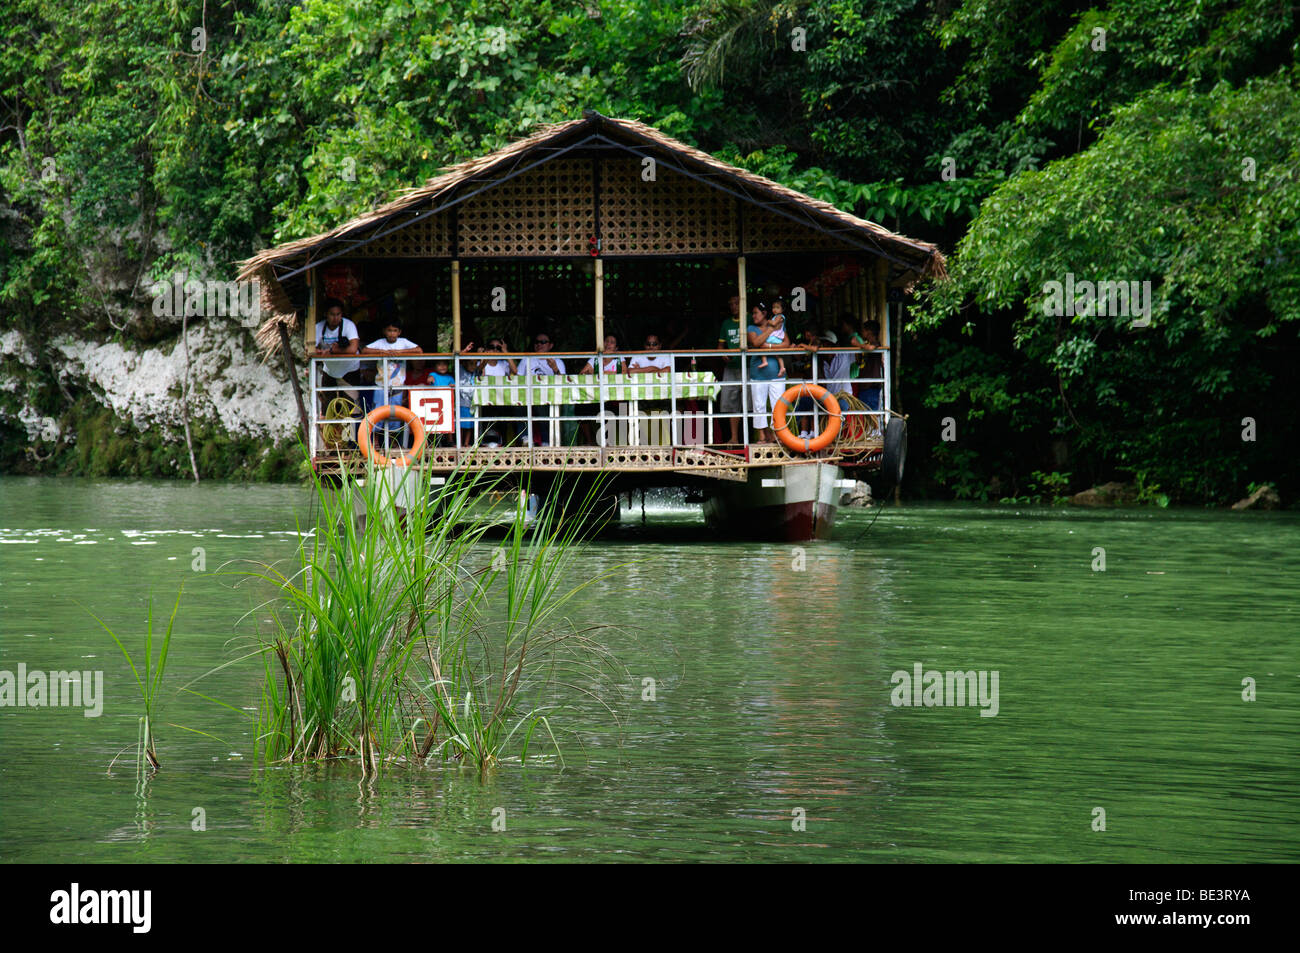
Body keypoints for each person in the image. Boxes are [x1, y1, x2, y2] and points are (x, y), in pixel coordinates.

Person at [360, 320, 422, 446]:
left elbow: (419, 350)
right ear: (384, 331)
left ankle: (392, 441)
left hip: (397, 385)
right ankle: (376, 440)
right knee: (377, 412)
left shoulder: (403, 342)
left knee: (395, 413)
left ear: (399, 332)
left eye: (395, 331)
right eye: (389, 330)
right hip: (381, 385)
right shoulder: (380, 343)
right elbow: (365, 351)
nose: (392, 333)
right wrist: (383, 353)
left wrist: (399, 353)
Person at [518, 332, 566, 446]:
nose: (539, 344)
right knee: (518, 405)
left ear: (550, 345)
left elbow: (564, 383)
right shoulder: (526, 360)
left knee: (543, 408)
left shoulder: (557, 361)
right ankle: (525, 437)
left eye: (543, 342)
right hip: (528, 396)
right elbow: (518, 379)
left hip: (548, 397)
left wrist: (555, 369)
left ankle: (546, 441)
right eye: (537, 342)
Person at [746, 302, 784, 443]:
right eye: (753, 313)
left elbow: (786, 343)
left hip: (777, 375)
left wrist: (767, 345)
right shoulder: (751, 328)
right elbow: (756, 343)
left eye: (756, 313)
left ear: (765, 314)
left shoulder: (779, 326)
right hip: (758, 375)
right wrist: (771, 329)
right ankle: (762, 435)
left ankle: (777, 434)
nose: (754, 316)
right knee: (759, 405)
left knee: (778, 405)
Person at [313, 298, 361, 408]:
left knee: (350, 405)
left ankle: (349, 425)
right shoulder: (319, 327)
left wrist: (333, 351)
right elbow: (310, 348)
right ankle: (327, 424)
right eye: (332, 314)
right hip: (329, 369)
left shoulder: (349, 325)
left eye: (338, 314)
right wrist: (319, 352)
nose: (335, 318)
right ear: (326, 314)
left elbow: (353, 349)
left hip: (350, 369)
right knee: (328, 404)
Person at [579, 333, 625, 445]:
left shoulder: (619, 359)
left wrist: (600, 373)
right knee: (581, 408)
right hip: (595, 395)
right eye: (606, 341)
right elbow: (582, 374)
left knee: (616, 408)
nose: (608, 344)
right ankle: (590, 442)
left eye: (612, 342)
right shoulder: (595, 359)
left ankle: (610, 443)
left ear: (616, 348)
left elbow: (624, 373)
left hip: (614, 396)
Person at [478, 337, 519, 446]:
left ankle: (504, 444)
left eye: (498, 347)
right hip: (486, 399)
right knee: (487, 419)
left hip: (502, 399)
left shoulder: (504, 364)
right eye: (492, 347)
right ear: (487, 348)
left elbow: (515, 371)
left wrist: (505, 352)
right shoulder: (482, 363)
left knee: (505, 419)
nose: (495, 350)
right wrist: (484, 358)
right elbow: (480, 373)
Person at [716, 294, 744, 445]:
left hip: (748, 366)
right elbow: (720, 346)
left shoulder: (751, 320)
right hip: (731, 367)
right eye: (731, 304)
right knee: (732, 403)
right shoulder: (726, 323)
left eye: (736, 303)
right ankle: (734, 438)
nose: (733, 306)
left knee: (752, 403)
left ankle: (758, 437)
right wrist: (723, 354)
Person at [756, 298, 788, 377]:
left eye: (777, 307)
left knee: (762, 345)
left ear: (782, 309)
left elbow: (774, 324)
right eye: (773, 307)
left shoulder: (780, 316)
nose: (775, 309)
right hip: (775, 336)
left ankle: (764, 361)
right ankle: (782, 367)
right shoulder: (776, 316)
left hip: (775, 337)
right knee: (777, 354)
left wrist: (768, 321)